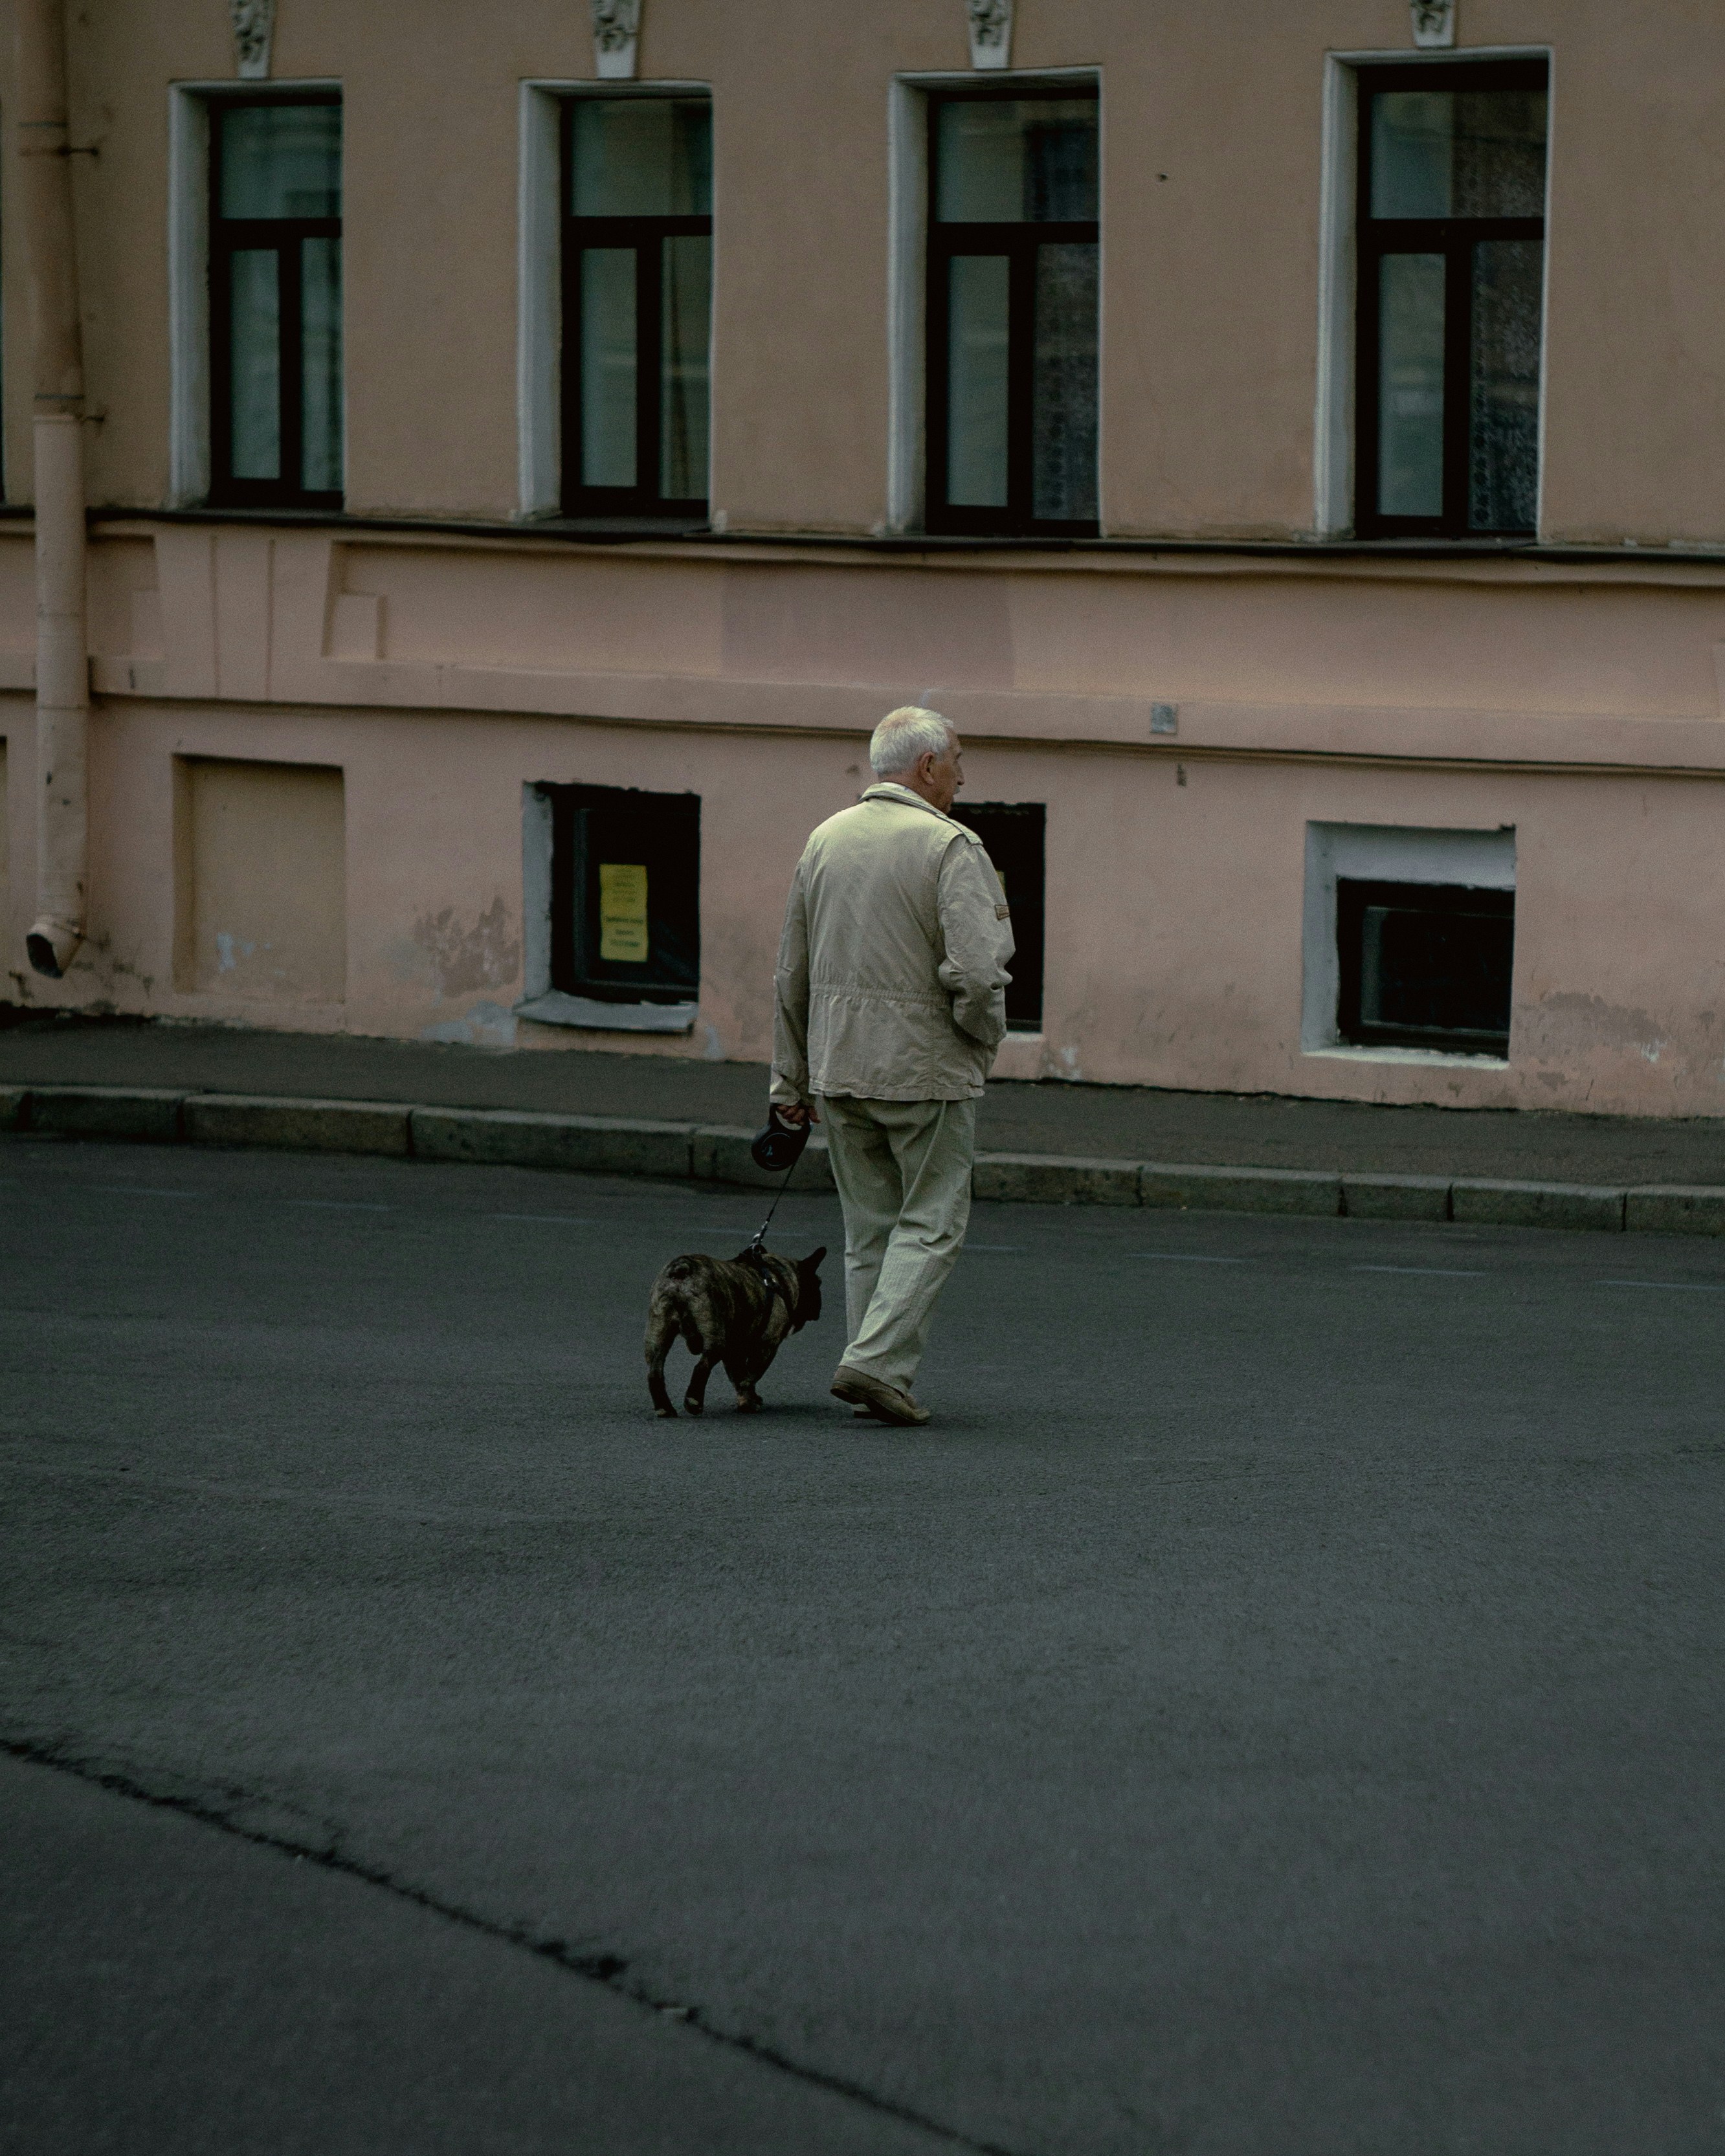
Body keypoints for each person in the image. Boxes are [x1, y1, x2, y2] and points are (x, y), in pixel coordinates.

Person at [770, 706, 1014, 1427]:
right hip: (924, 1068)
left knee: (869, 1227)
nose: (964, 777)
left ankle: (882, 1370)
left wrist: (789, 1080)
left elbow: (791, 972)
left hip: (837, 1066)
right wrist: (981, 1039)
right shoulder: (950, 845)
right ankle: (875, 1363)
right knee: (933, 1222)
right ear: (928, 766)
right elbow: (976, 972)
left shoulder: (824, 839)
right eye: (958, 761)